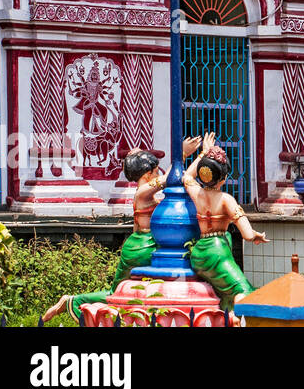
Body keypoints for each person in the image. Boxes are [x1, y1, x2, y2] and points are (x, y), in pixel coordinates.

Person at [42, 135, 202, 323]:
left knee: (133, 291)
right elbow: (170, 179)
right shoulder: (142, 193)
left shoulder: (148, 192)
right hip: (142, 247)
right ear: (147, 175)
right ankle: (73, 302)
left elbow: (178, 179)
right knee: (116, 293)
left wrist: (198, 156)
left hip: (144, 244)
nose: (159, 174)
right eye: (156, 171)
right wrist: (182, 154)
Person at [182, 132, 268, 311]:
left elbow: (188, 177)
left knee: (224, 295)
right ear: (223, 178)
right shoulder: (226, 199)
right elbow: (246, 233)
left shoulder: (197, 194)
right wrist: (255, 235)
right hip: (217, 253)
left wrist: (203, 153)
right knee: (242, 290)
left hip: (198, 254)